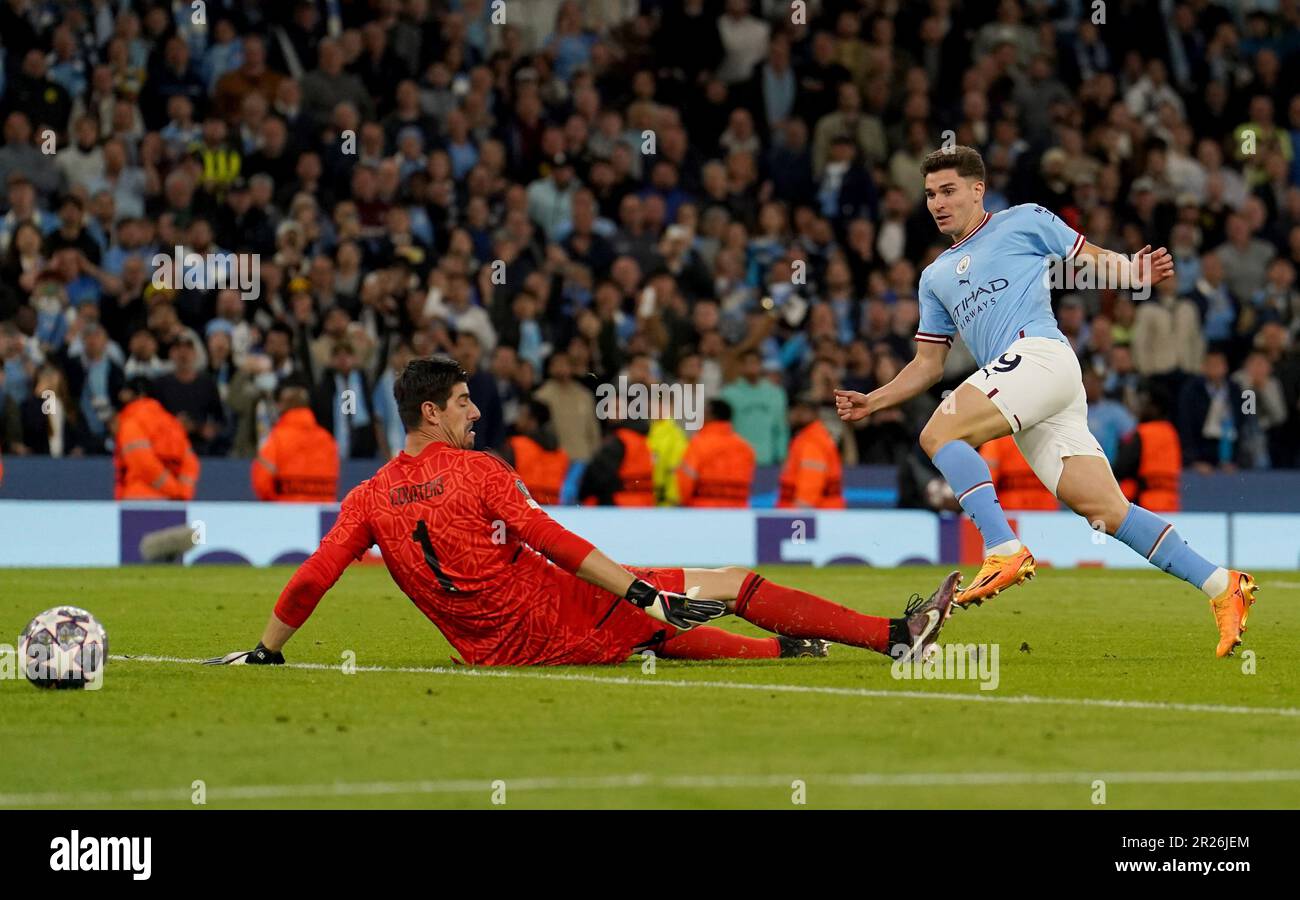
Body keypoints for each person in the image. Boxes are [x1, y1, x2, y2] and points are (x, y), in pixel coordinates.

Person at [207, 356, 958, 667]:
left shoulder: (367, 497)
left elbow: (313, 577)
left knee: (654, 631)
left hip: (490, 651)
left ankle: (789, 651)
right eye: (465, 402)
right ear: (431, 411)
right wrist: (633, 585)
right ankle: (898, 635)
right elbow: (549, 537)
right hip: (550, 614)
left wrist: (269, 650)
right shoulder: (478, 471)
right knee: (724, 583)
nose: (476, 412)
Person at [834, 146, 1257, 658]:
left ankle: (1002, 548)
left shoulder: (1024, 220)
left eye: (948, 191)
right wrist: (873, 401)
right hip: (1031, 391)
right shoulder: (935, 277)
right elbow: (928, 365)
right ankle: (1221, 585)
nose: (938, 203)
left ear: (977, 190)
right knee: (1105, 509)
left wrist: (1133, 273)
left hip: (1040, 355)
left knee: (937, 433)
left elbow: (1092, 258)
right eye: (929, 195)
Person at [113, 378, 199, 500]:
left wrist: (172, 489)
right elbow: (191, 463)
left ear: (138, 394)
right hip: (173, 503)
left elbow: (142, 462)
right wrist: (182, 493)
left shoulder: (131, 422)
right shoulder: (171, 423)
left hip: (139, 500)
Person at [250, 382, 339, 501]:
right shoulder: (327, 439)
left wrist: (277, 501)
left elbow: (262, 481)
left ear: (281, 406)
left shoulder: (277, 438)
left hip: (286, 512)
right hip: (320, 513)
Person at [677, 399, 755, 507]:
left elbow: (685, 483)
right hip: (738, 513)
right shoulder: (746, 448)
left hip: (704, 513)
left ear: (710, 415)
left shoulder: (698, 444)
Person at [777, 396, 844, 509]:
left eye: (800, 410)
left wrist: (798, 521)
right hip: (822, 514)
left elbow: (809, 487)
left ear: (813, 414)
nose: (794, 414)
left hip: (815, 516)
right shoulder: (809, 437)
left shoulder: (812, 441)